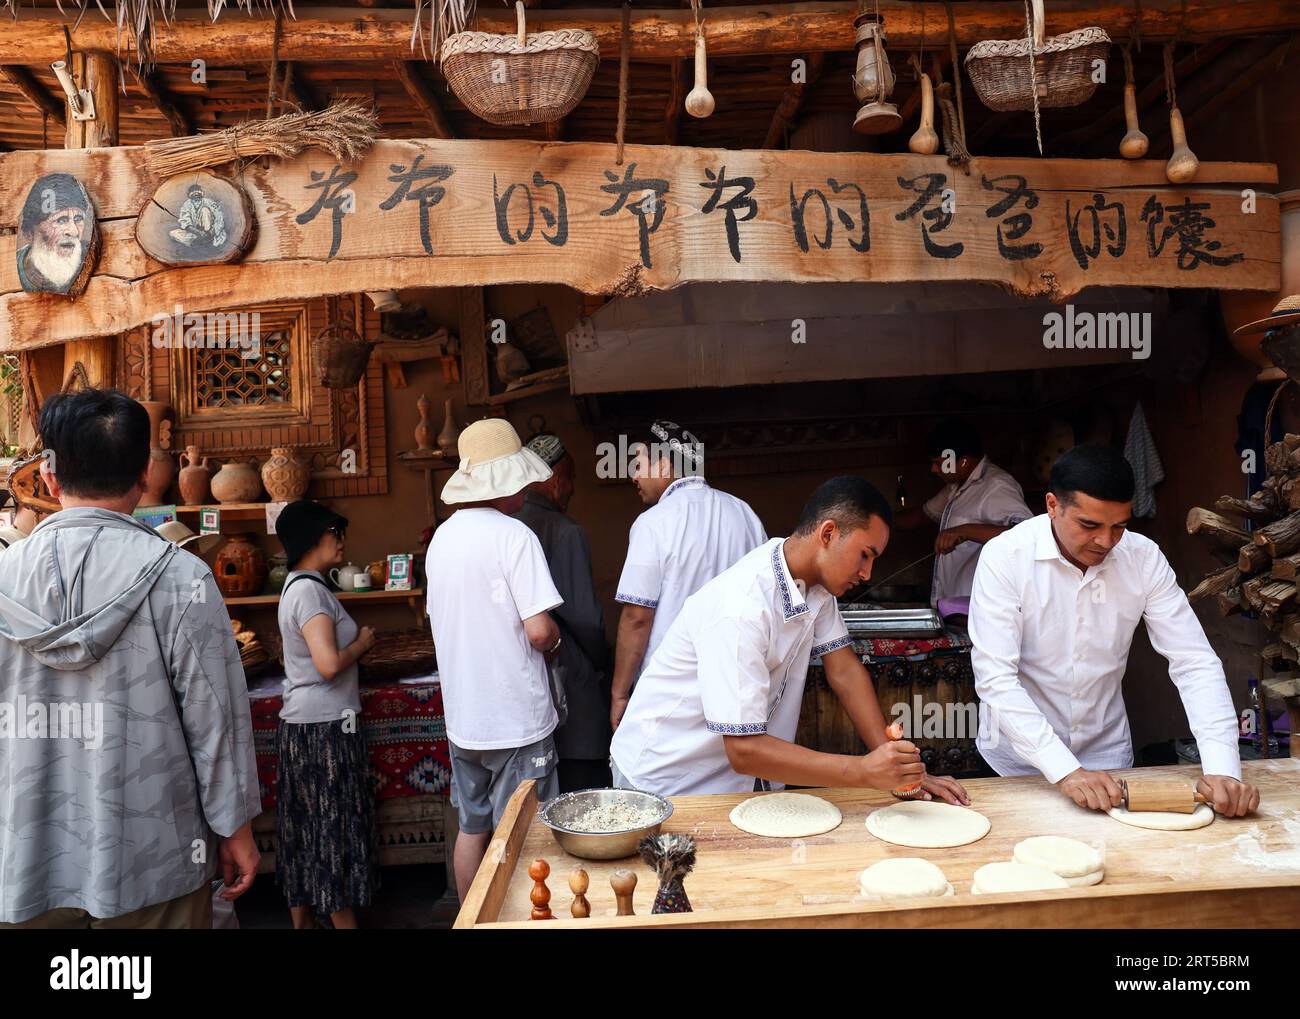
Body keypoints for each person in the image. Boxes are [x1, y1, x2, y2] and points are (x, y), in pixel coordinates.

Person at [0, 388, 261, 928]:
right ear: (145, 473)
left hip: (22, 857)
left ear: (49, 475)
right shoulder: (182, 579)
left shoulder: (4, 578)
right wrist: (234, 829)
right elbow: (215, 722)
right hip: (150, 860)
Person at [610, 475, 968, 803]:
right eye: (865, 555)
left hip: (724, 781)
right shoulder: (742, 606)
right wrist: (863, 771)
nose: (867, 573)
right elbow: (744, 750)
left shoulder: (816, 588)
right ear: (827, 534)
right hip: (660, 782)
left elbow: (843, 671)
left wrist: (897, 770)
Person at [968, 444, 1260, 817]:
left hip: (1109, 760)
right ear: (1052, 506)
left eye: (1119, 526)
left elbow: (1194, 662)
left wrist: (1222, 769)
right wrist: (1066, 771)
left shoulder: (1143, 558)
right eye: (1089, 525)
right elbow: (996, 679)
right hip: (1014, 765)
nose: (1105, 541)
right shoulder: (1005, 557)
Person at [426, 419, 563, 898]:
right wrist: (557, 642)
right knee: (529, 837)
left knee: (473, 827)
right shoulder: (514, 536)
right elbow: (540, 631)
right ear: (507, 483)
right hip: (516, 720)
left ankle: (470, 918)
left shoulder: (441, 540)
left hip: (465, 720)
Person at [610, 419, 766, 732]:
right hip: (735, 682)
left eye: (639, 464)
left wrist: (619, 693)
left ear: (666, 464)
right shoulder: (745, 514)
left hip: (670, 691)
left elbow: (637, 618)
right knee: (728, 776)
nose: (633, 476)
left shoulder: (652, 523)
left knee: (662, 779)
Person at [274, 500, 379, 929]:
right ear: (313, 537)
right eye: (335, 532)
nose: (342, 540)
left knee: (305, 830)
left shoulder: (296, 587)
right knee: (329, 830)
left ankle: (302, 924)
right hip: (324, 731)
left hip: (304, 726)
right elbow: (329, 665)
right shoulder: (311, 592)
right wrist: (363, 643)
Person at [515, 434, 612, 792]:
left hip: (527, 692)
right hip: (572, 687)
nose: (572, 490)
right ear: (557, 481)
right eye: (570, 480)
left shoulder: (507, 527)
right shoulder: (565, 532)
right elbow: (585, 618)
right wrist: (604, 662)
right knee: (582, 801)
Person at [896, 418, 1031, 607]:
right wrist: (876, 521)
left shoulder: (996, 486)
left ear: (964, 461)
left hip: (980, 609)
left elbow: (1027, 536)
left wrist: (965, 531)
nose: (934, 469)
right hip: (954, 608)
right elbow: (921, 516)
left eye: (938, 463)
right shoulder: (956, 487)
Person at [16, 173, 91, 293]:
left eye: (78, 219)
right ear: (29, 233)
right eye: (61, 220)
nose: (74, 231)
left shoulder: (88, 255)